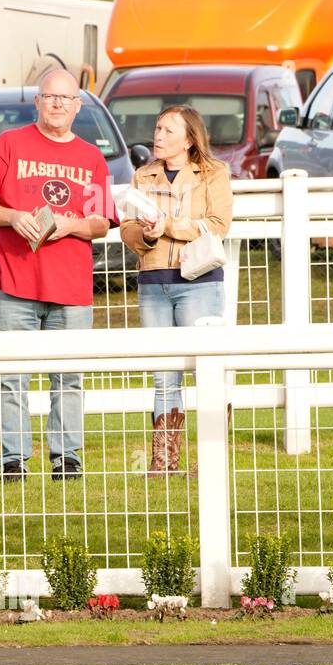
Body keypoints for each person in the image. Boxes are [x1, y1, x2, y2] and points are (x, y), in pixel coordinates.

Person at [0, 69, 117, 482]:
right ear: (37, 101)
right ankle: (13, 459)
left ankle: (66, 458)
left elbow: (103, 222)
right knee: (12, 374)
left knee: (68, 376)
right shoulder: (8, 146)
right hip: (15, 280)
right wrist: (14, 216)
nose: (57, 104)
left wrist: (72, 226)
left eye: (65, 98)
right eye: (50, 96)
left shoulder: (91, 157)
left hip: (70, 285)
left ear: (78, 106)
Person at [120, 105, 232, 475]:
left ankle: (210, 458)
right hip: (153, 282)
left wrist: (166, 224)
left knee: (207, 369)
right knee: (163, 373)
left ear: (189, 139)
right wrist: (146, 236)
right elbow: (127, 229)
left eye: (168, 131)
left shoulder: (213, 174)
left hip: (197, 281)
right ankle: (163, 462)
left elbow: (217, 224)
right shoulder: (142, 176)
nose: (159, 136)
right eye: (157, 129)